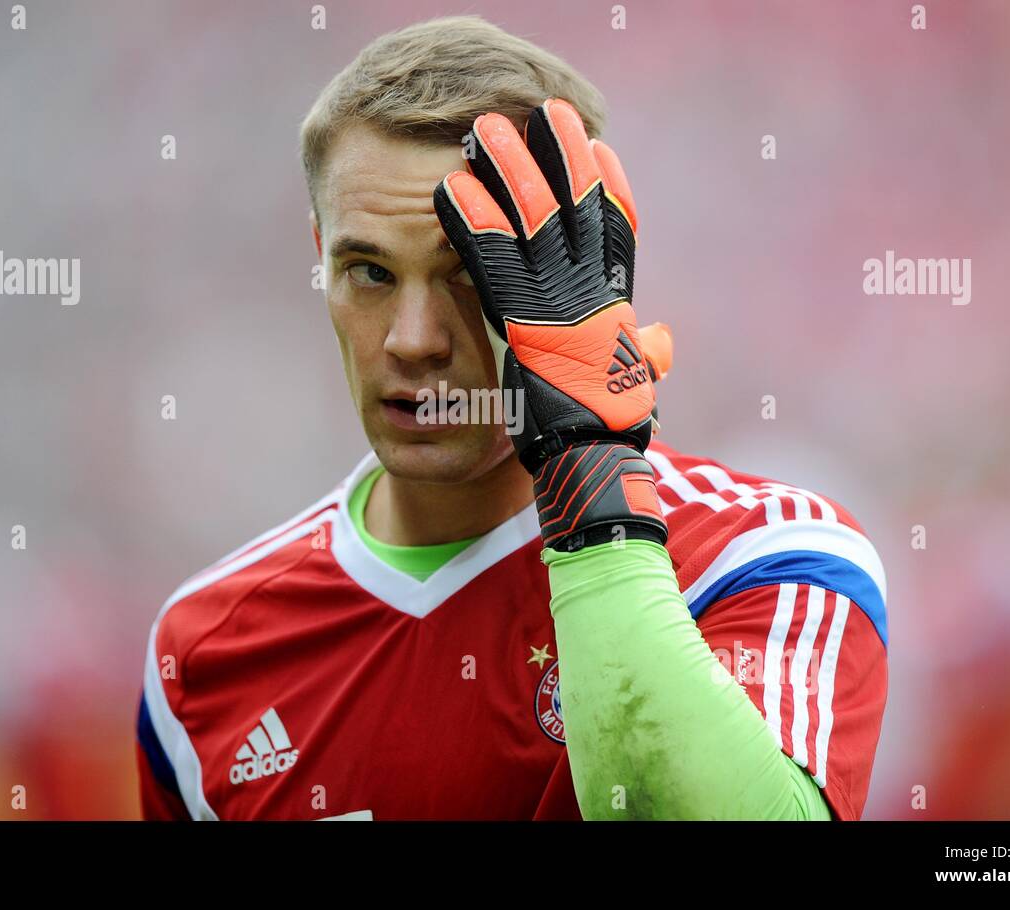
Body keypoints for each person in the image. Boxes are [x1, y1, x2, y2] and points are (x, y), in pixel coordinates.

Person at [136, 15, 887, 821]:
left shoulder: (762, 559)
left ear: (578, 267)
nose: (413, 341)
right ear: (319, 256)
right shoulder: (203, 655)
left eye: (470, 276)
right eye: (369, 272)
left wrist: (589, 469)